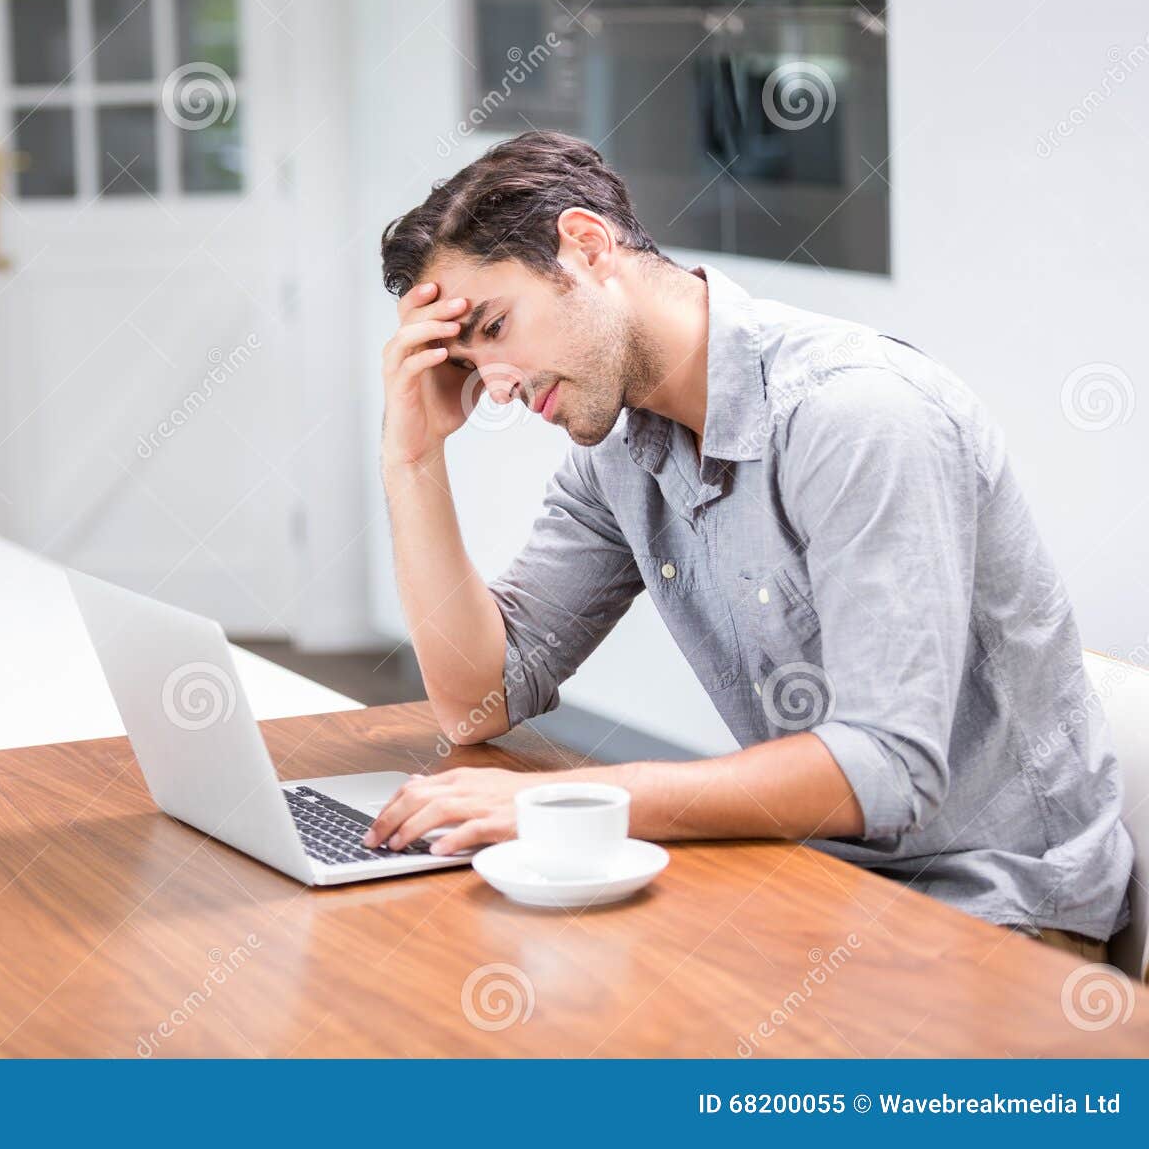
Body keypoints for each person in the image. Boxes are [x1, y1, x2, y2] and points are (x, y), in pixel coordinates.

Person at [363, 131, 1130, 959]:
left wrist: (575, 800)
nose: (499, 386)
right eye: (471, 361)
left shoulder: (859, 417)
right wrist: (413, 457)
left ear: (586, 246)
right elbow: (477, 700)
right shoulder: (622, 452)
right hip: (812, 884)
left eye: (496, 326)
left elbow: (888, 769)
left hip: (1001, 919)